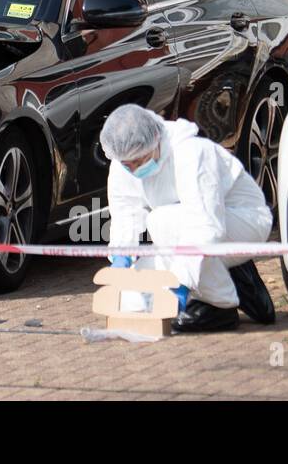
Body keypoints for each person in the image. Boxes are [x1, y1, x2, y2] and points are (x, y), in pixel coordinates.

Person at [100, 103, 275, 333]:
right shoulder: (122, 162)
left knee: (160, 222)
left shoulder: (192, 152)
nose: (133, 169)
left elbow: (205, 225)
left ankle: (220, 306)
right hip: (192, 228)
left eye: (138, 161)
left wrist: (180, 285)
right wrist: (121, 260)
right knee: (136, 299)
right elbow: (126, 216)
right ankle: (236, 275)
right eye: (127, 165)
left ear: (155, 140)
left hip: (245, 222)